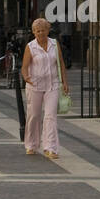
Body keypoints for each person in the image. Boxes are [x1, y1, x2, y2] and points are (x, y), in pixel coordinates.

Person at [21, 16, 68, 159]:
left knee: (50, 116)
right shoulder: (30, 46)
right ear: (34, 32)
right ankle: (31, 144)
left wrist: (64, 82)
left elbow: (60, 63)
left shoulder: (54, 44)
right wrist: (26, 78)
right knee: (34, 115)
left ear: (48, 31)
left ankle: (50, 148)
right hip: (34, 85)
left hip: (52, 84)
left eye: (43, 30)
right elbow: (24, 67)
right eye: (37, 31)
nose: (40, 33)